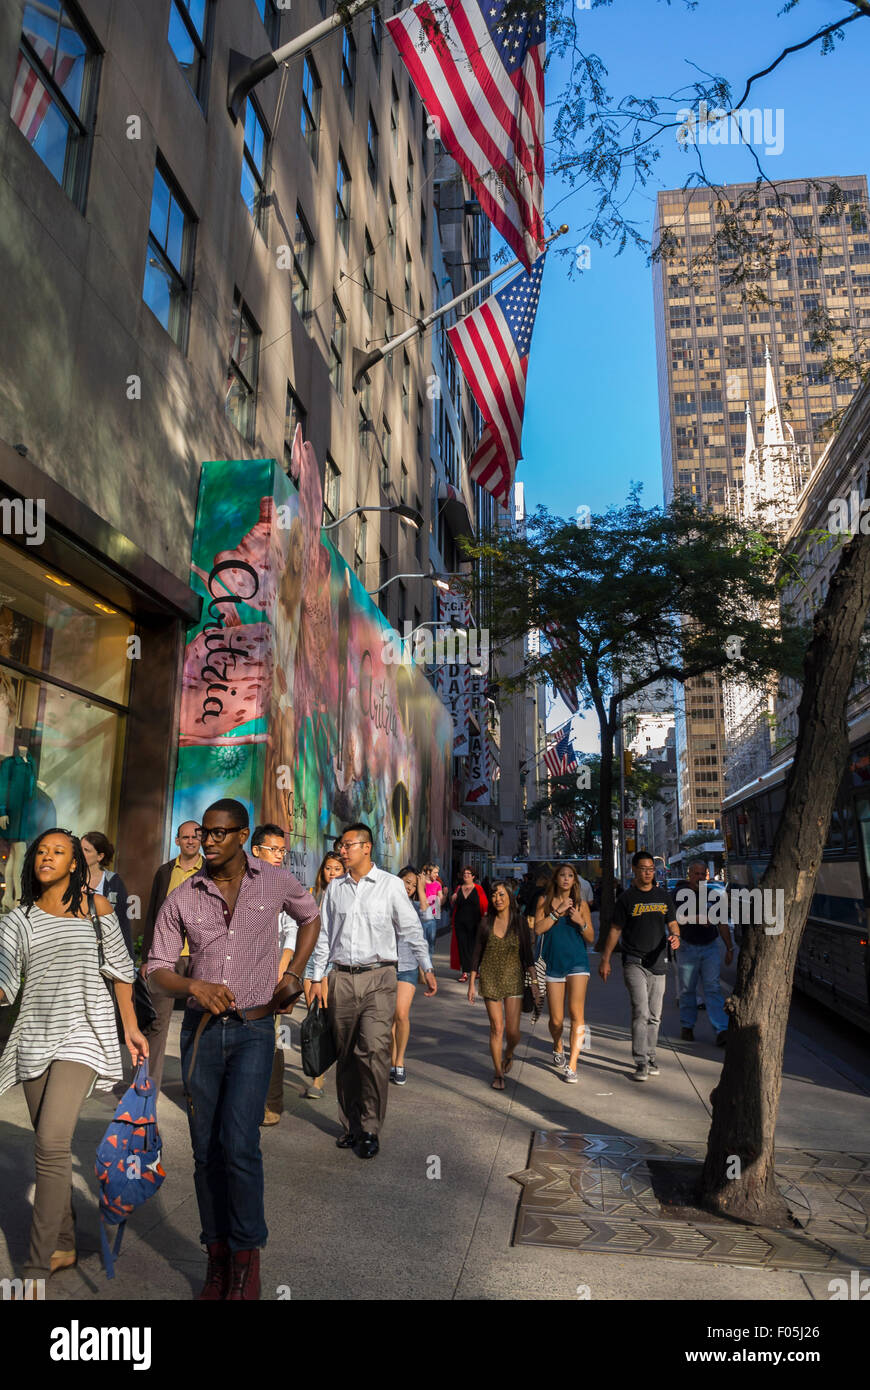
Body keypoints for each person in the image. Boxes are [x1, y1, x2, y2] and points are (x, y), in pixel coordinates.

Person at [147, 799, 320, 1301]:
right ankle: (216, 1259)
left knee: (240, 1144)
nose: (212, 840)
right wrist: (192, 987)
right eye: (206, 832)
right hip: (201, 1032)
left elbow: (309, 917)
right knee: (205, 1152)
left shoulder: (274, 881)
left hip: (253, 1031)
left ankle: (247, 1261)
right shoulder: (184, 895)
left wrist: (293, 975)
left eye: (222, 833)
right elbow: (155, 966)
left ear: (242, 835)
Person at [0, 829, 145, 1292]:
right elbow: (5, 984)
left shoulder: (97, 910)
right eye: (41, 851)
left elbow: (121, 971)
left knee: (51, 1140)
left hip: (82, 1034)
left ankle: (37, 1265)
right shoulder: (18, 919)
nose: (46, 857)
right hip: (33, 1038)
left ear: (74, 864)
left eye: (58, 852)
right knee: (52, 1147)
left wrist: (131, 1027)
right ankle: (64, 1239)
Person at [309, 824, 437, 1159]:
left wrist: (426, 966)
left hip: (380, 978)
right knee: (347, 1054)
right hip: (341, 979)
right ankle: (350, 1125)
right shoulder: (335, 889)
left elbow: (410, 927)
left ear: (366, 847)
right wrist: (316, 976)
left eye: (348, 845)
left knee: (374, 1051)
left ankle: (369, 1127)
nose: (342, 850)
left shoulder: (390, 886)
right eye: (341, 845)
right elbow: (324, 936)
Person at [598, 850, 681, 1083]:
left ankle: (652, 1055)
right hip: (634, 961)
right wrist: (605, 959)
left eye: (651, 869)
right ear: (634, 870)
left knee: (655, 1016)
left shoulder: (663, 896)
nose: (648, 873)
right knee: (641, 1011)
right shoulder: (626, 898)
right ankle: (641, 1060)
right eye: (643, 869)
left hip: (659, 963)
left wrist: (676, 936)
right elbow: (615, 930)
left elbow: (673, 923)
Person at [140, 820, 203, 1098]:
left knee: (200, 1023)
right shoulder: (165, 872)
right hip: (167, 958)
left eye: (195, 836)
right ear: (177, 840)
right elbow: (152, 916)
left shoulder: (212, 872)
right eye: (185, 837)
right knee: (157, 1023)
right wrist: (147, 958)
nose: (190, 841)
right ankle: (148, 1085)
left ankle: (195, 1084)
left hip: (202, 958)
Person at [468, 881, 539, 1089]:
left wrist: (534, 983)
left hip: (514, 979)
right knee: (496, 1028)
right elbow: (476, 954)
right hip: (490, 978)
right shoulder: (485, 922)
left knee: (513, 1032)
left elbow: (527, 956)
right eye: (494, 895)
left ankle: (509, 1052)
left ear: (509, 897)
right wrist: (472, 983)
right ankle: (498, 1073)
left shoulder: (520, 923)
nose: (497, 899)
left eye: (501, 895)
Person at [534, 865, 595, 1083]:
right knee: (557, 1020)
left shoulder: (581, 905)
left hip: (578, 963)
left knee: (577, 1013)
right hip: (553, 964)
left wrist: (581, 921)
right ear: (556, 879)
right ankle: (557, 1045)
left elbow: (590, 937)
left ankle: (572, 1064)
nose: (567, 879)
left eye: (571, 876)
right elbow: (538, 929)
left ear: (575, 882)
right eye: (563, 875)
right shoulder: (544, 901)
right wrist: (557, 912)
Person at [291, 850, 344, 1099]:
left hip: (333, 962)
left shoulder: (346, 897)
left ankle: (341, 1066)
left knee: (334, 1017)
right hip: (311, 961)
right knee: (316, 1018)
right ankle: (318, 1079)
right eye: (328, 868)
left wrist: (324, 975)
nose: (332, 873)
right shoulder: (312, 895)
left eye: (337, 869)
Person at [249, 824, 292, 1125]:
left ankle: (271, 1103)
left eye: (282, 851)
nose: (279, 856)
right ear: (255, 851)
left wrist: (281, 971)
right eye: (273, 850)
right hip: (237, 976)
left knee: (271, 1042)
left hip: (270, 976)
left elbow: (292, 931)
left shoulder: (284, 884)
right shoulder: (239, 882)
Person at [673, 859, 733, 1046]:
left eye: (702, 874)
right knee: (687, 990)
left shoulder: (713, 895)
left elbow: (722, 923)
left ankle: (722, 1030)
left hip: (710, 948)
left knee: (713, 988)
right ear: (689, 875)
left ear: (707, 875)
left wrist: (729, 947)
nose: (699, 877)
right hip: (687, 948)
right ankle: (687, 1026)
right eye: (696, 874)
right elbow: (674, 919)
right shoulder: (679, 894)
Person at [391, 866, 426, 1086]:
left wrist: (421, 889)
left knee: (401, 1014)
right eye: (406, 881)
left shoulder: (414, 907)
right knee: (389, 1019)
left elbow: (429, 913)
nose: (409, 887)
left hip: (408, 967)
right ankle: (391, 1062)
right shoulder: (385, 903)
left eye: (413, 884)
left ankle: (400, 1061)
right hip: (385, 965)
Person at [81, 831, 133, 959]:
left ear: (100, 856)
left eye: (86, 850)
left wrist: (128, 959)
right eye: (79, 849)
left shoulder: (113, 882)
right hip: (74, 948)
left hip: (104, 952)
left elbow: (122, 923)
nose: (80, 853)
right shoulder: (69, 880)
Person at [449, 867, 488, 982]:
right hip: (460, 923)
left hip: (475, 923)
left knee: (474, 947)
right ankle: (465, 973)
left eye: (468, 873)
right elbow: (454, 904)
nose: (466, 875)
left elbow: (485, 905)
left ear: (473, 876)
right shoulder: (458, 888)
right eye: (464, 873)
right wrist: (453, 898)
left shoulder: (479, 889)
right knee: (462, 946)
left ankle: (475, 970)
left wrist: (486, 918)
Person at [417, 862, 447, 955]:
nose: (437, 875)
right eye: (435, 872)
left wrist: (445, 895)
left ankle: (428, 964)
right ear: (428, 872)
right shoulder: (420, 882)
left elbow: (441, 901)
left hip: (432, 917)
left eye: (437, 872)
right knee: (421, 942)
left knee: (431, 942)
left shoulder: (437, 884)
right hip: (419, 916)